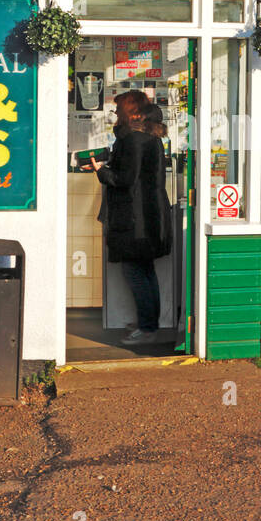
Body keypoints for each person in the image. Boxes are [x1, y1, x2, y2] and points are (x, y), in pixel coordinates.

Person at [89, 93, 172, 346]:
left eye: (117, 110)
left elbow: (126, 180)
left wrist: (100, 171)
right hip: (149, 216)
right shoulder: (150, 137)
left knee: (135, 272)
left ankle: (147, 329)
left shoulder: (133, 140)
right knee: (146, 272)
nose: (115, 115)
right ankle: (150, 323)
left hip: (136, 218)